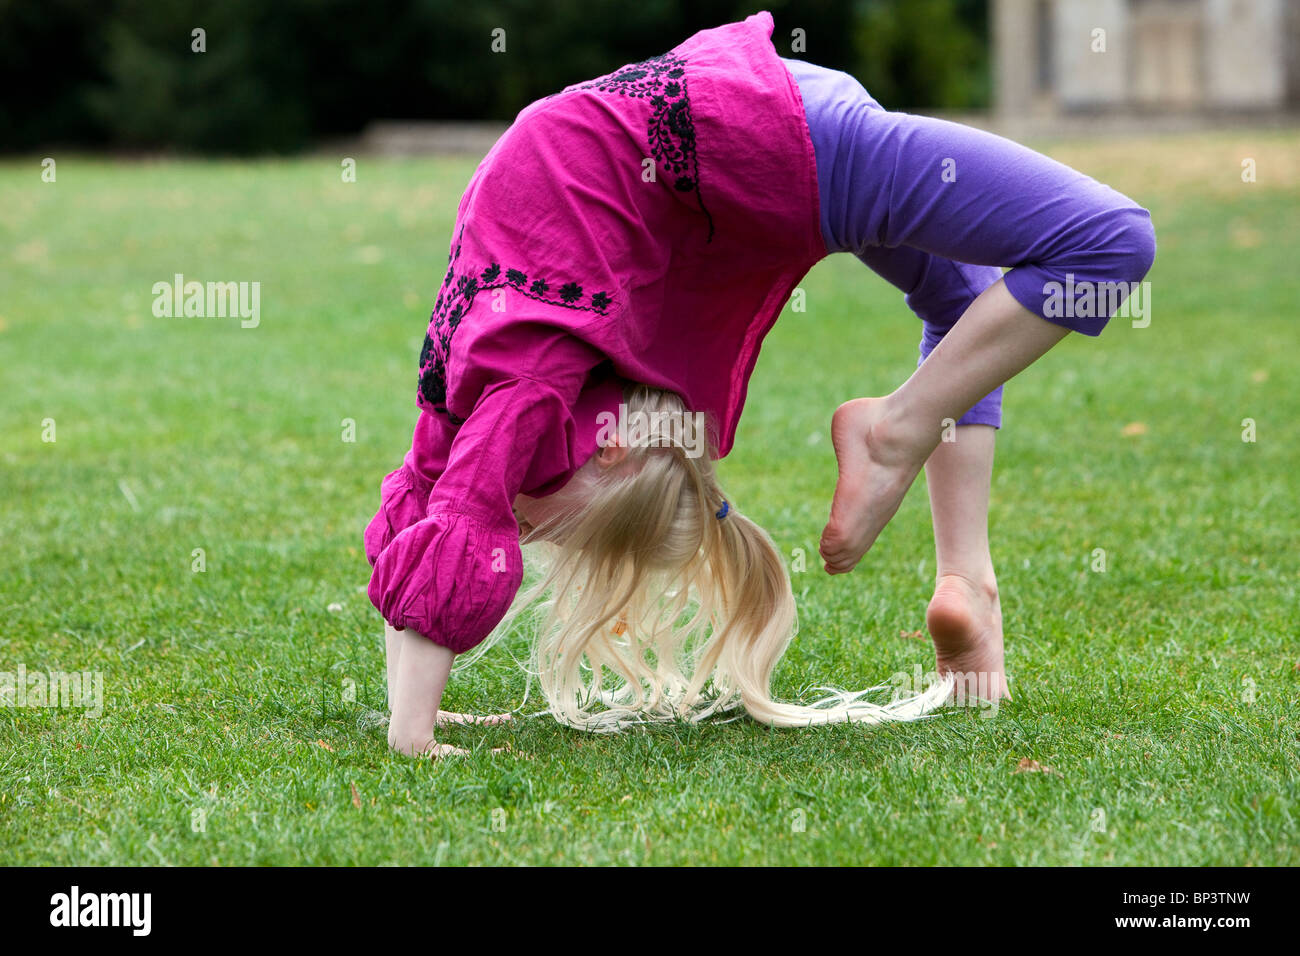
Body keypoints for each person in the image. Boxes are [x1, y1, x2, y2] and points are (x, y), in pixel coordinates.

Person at [363, 12, 1156, 756]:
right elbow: (421, 510)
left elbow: (456, 525)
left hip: (775, 143)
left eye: (553, 530)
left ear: (608, 453)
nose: (527, 527)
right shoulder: (487, 378)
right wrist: (422, 706)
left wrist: (413, 738)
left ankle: (897, 430)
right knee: (961, 300)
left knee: (1110, 243)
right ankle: (967, 587)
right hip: (753, 108)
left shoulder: (525, 387)